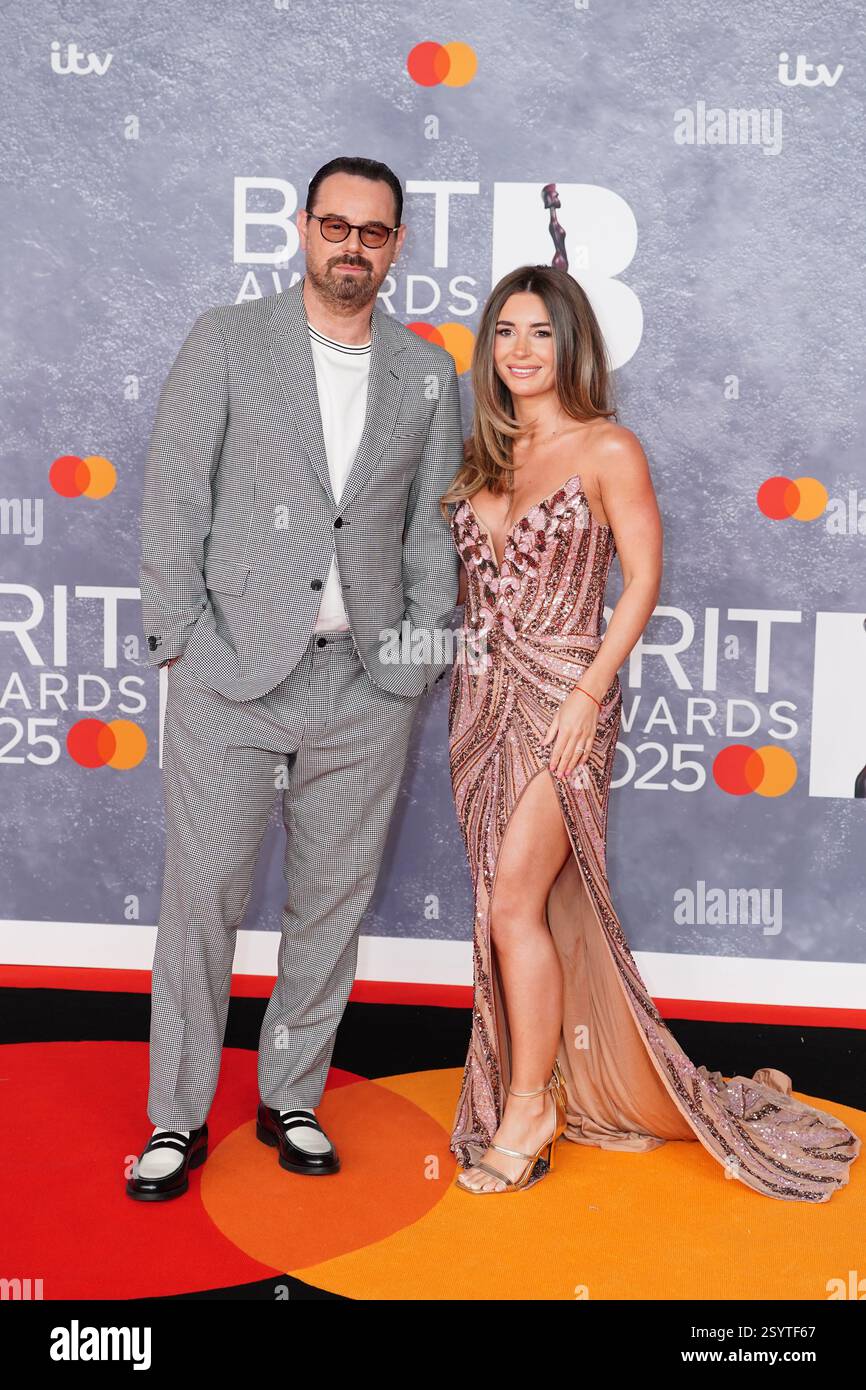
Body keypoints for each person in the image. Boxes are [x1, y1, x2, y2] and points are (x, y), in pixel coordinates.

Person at [441, 264, 861, 1199]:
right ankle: (567, 1086)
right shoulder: (483, 457)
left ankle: (528, 1108)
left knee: (513, 903)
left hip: (564, 697)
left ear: (571, 344)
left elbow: (641, 581)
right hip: (479, 704)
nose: (519, 350)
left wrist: (589, 694)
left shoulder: (608, 447)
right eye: (504, 331)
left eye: (540, 332)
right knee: (507, 907)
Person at [128, 156, 462, 1200]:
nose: (352, 245)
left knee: (330, 905)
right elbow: (175, 496)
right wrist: (180, 643)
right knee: (201, 899)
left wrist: (413, 661)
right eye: (335, 225)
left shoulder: (425, 373)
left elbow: (432, 533)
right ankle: (175, 1117)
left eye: (374, 231)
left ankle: (293, 1096)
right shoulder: (228, 341)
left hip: (363, 686)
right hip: (230, 673)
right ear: (305, 229)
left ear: (396, 246)